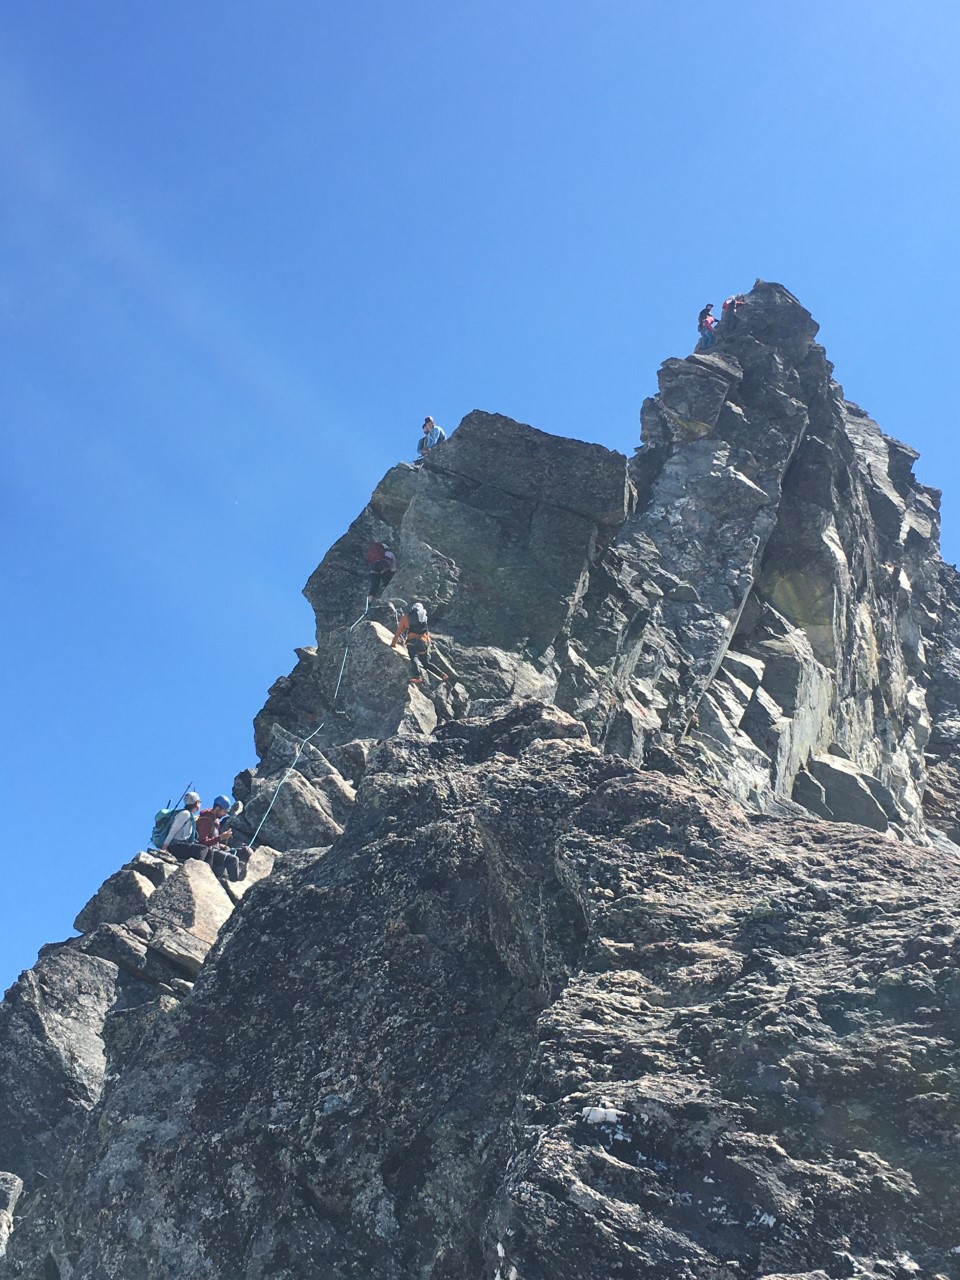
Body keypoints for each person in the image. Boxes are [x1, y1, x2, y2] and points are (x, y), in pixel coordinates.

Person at [391, 601, 456, 685]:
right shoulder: (423, 618)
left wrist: (393, 643)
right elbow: (426, 633)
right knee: (425, 663)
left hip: (412, 642)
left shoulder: (406, 617)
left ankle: (417, 677)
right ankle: (442, 675)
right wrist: (428, 647)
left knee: (413, 657)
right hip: (423, 643)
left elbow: (399, 631)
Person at [196, 795, 250, 882]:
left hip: (216, 850)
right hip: (210, 854)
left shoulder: (215, 821)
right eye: (224, 811)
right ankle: (235, 883)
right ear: (217, 809)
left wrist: (222, 846)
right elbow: (202, 842)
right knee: (233, 860)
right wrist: (220, 838)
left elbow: (212, 840)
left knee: (245, 851)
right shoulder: (205, 820)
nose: (225, 814)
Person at [162, 791, 203, 860]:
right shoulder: (185, 814)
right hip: (175, 846)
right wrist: (165, 846)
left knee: (205, 850)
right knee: (202, 850)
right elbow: (173, 830)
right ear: (197, 803)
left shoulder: (191, 816)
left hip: (181, 845)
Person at [365, 542, 398, 607]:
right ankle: (387, 600)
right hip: (383, 565)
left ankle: (369, 603)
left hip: (373, 567)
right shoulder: (389, 553)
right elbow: (394, 568)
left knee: (374, 586)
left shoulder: (373, 556)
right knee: (387, 583)